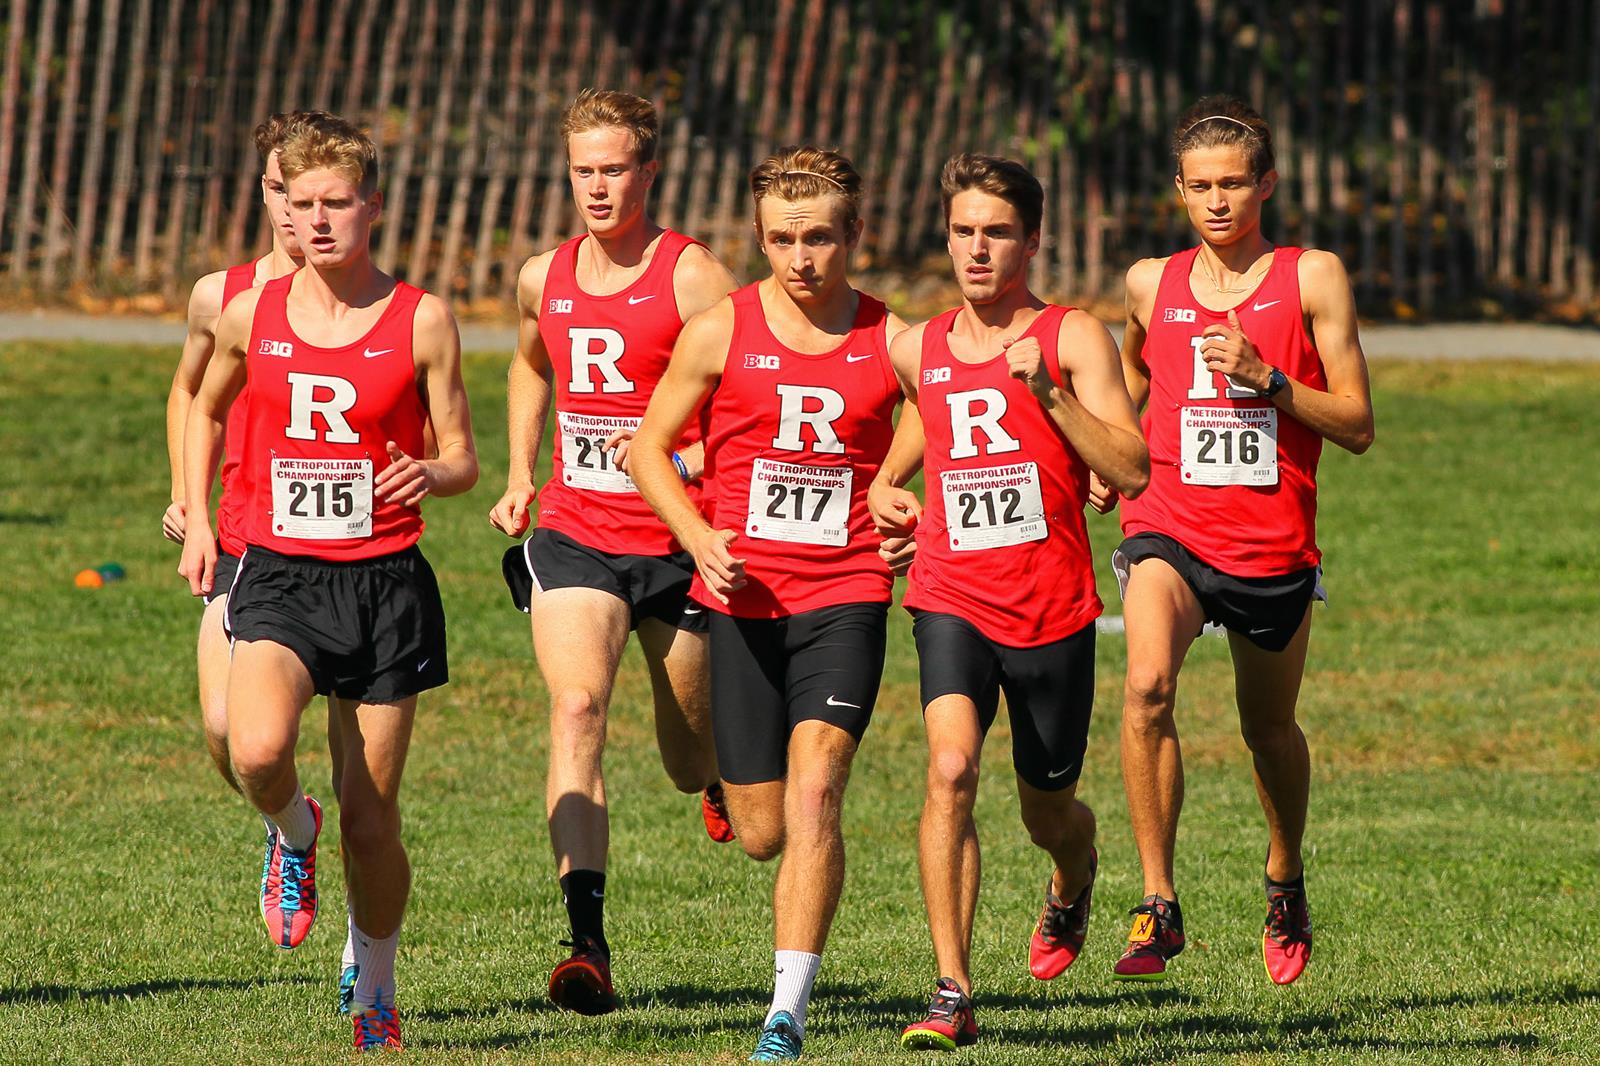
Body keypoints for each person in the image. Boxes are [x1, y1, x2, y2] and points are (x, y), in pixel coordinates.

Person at [179, 112, 478, 1050]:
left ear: (372, 207)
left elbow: (464, 452)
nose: (317, 220)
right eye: (301, 203)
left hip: (385, 583)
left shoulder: (422, 318)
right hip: (278, 574)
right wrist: (194, 512)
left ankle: (375, 985)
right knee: (258, 752)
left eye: (336, 203)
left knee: (373, 816)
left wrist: (432, 472)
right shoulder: (249, 313)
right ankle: (291, 835)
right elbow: (202, 405)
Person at [631, 145, 910, 1062]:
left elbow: (949, 427)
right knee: (761, 833)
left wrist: (902, 500)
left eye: (821, 237)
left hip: (847, 594)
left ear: (855, 236)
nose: (802, 259)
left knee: (818, 793)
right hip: (744, 600)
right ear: (760, 238)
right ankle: (719, 780)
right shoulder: (719, 330)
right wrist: (699, 532)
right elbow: (647, 449)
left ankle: (784, 1012)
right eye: (784, 239)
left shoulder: (891, 337)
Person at [867, 154, 1148, 1051]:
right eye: (962, 231)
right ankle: (951, 987)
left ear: (1031, 240)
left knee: (1047, 811)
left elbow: (1133, 467)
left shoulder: (1073, 338)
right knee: (949, 771)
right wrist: (885, 482)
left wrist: (1046, 394)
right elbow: (925, 409)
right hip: (949, 593)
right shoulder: (921, 344)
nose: (977, 248)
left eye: (996, 232)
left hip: (1053, 607)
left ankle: (1074, 875)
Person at [1096, 94, 1374, 986]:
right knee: (1145, 687)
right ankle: (1157, 900)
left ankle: (1284, 873)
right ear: (1178, 190)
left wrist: (1270, 381)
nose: (1217, 202)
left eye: (1234, 185)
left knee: (1268, 730)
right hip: (1169, 526)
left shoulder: (1313, 277)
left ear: (1268, 186)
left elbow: (1359, 423)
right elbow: (1133, 365)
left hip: (1271, 546)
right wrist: (1121, 440)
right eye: (1200, 186)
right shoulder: (1152, 282)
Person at [486, 88, 739, 1016]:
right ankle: (585, 941)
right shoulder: (539, 275)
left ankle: (712, 779)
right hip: (576, 532)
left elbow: (742, 384)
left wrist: (705, 451)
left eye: (616, 168)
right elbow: (528, 364)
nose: (598, 186)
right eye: (584, 169)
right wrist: (521, 471)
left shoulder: (691, 277)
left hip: (675, 541)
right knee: (578, 702)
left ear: (650, 171)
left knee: (686, 752)